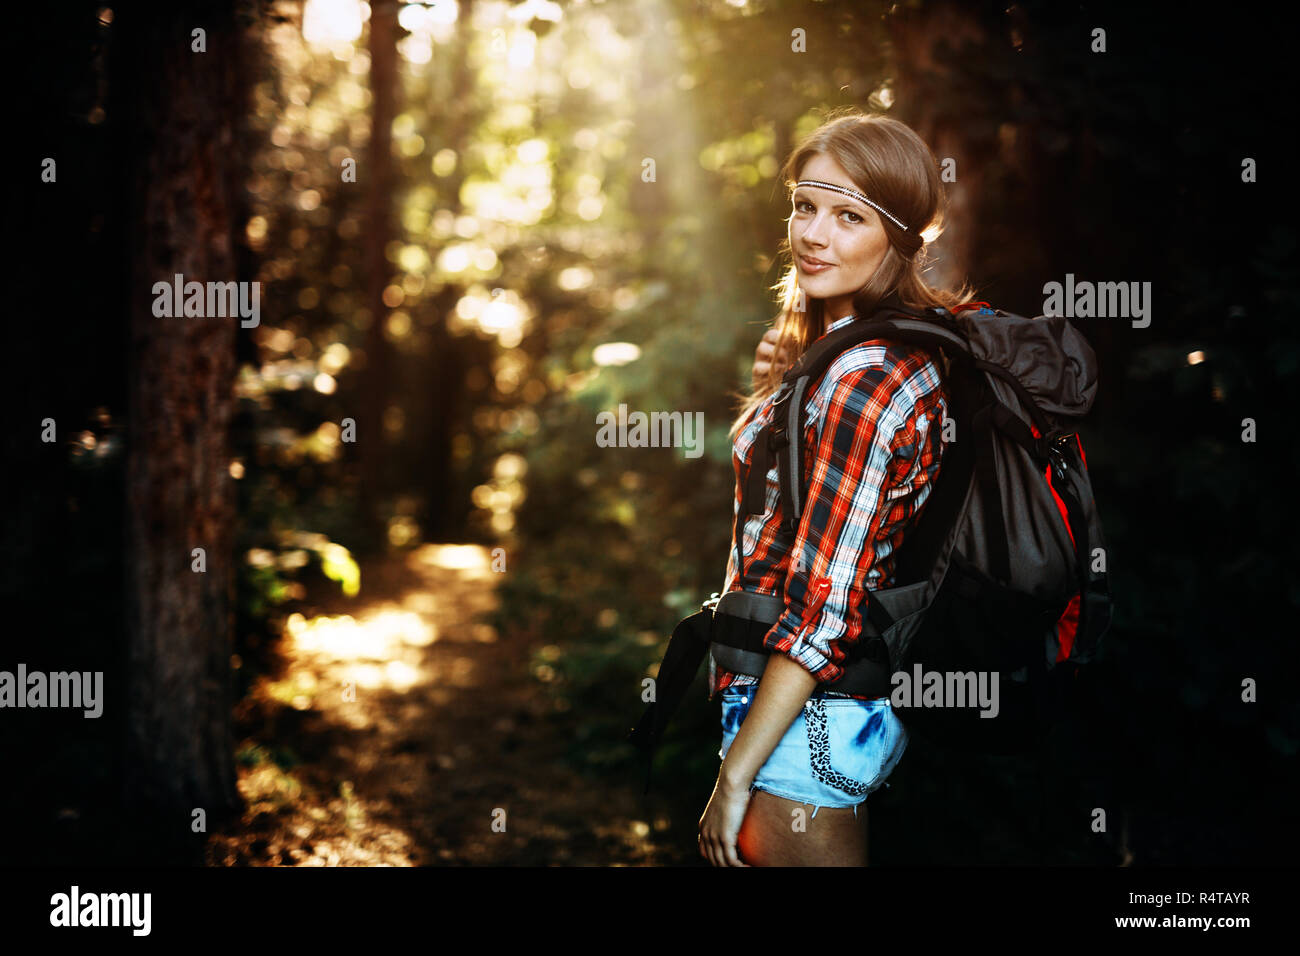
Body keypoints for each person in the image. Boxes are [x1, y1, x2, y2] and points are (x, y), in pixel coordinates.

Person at [697, 110, 980, 867]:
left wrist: (733, 776)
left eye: (849, 215)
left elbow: (824, 610)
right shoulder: (841, 356)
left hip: (802, 727)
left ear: (898, 238)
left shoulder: (863, 379)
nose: (814, 234)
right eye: (805, 204)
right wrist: (780, 391)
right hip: (805, 719)